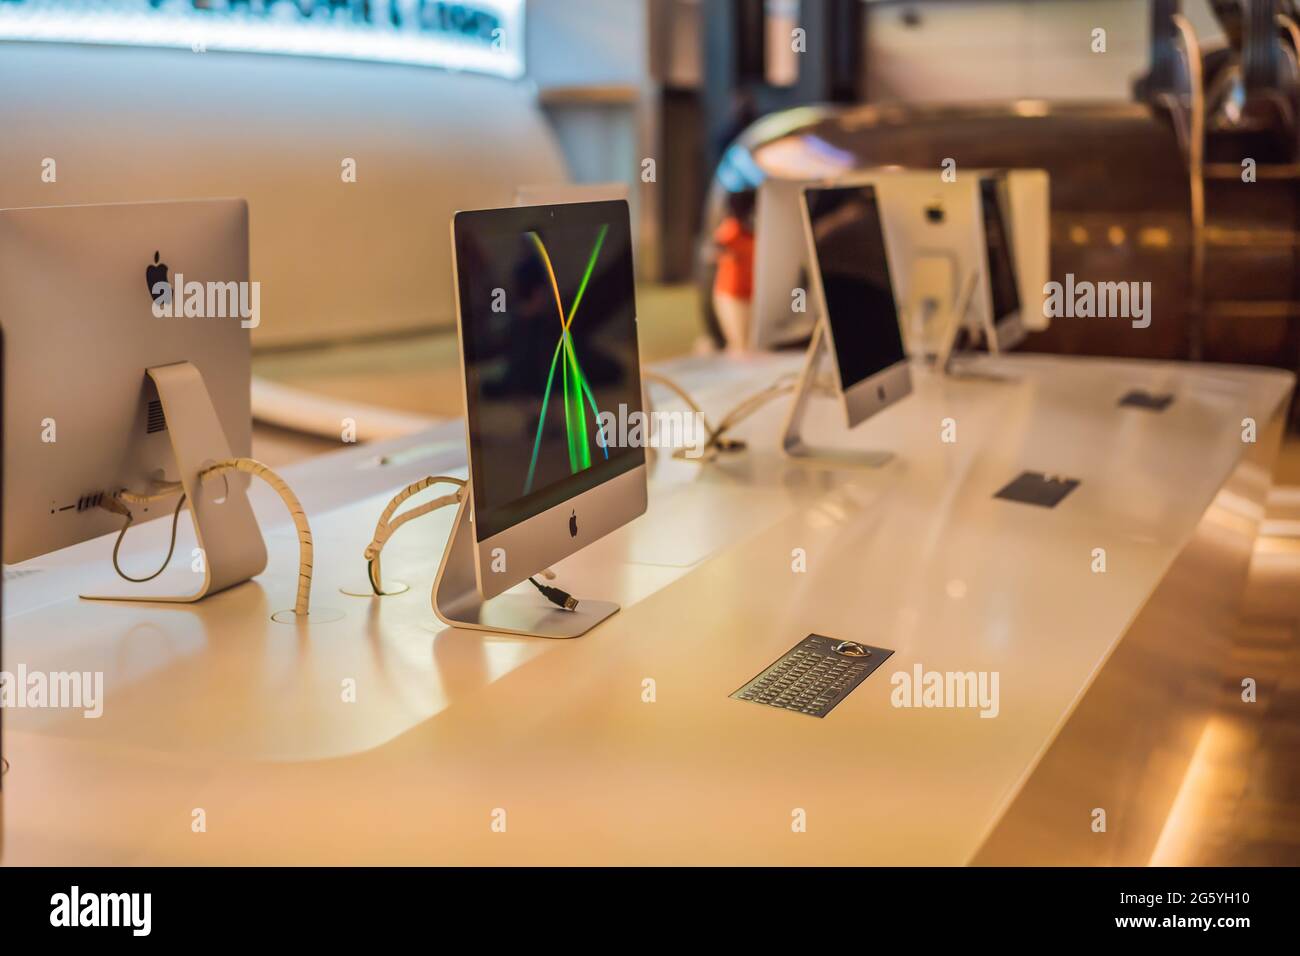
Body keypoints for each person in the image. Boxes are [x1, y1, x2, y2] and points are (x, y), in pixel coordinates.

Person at [712, 189, 756, 352]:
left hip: (749, 295)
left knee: (749, 345)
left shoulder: (753, 232)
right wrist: (726, 254)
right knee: (740, 345)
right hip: (732, 295)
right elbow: (716, 247)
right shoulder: (732, 228)